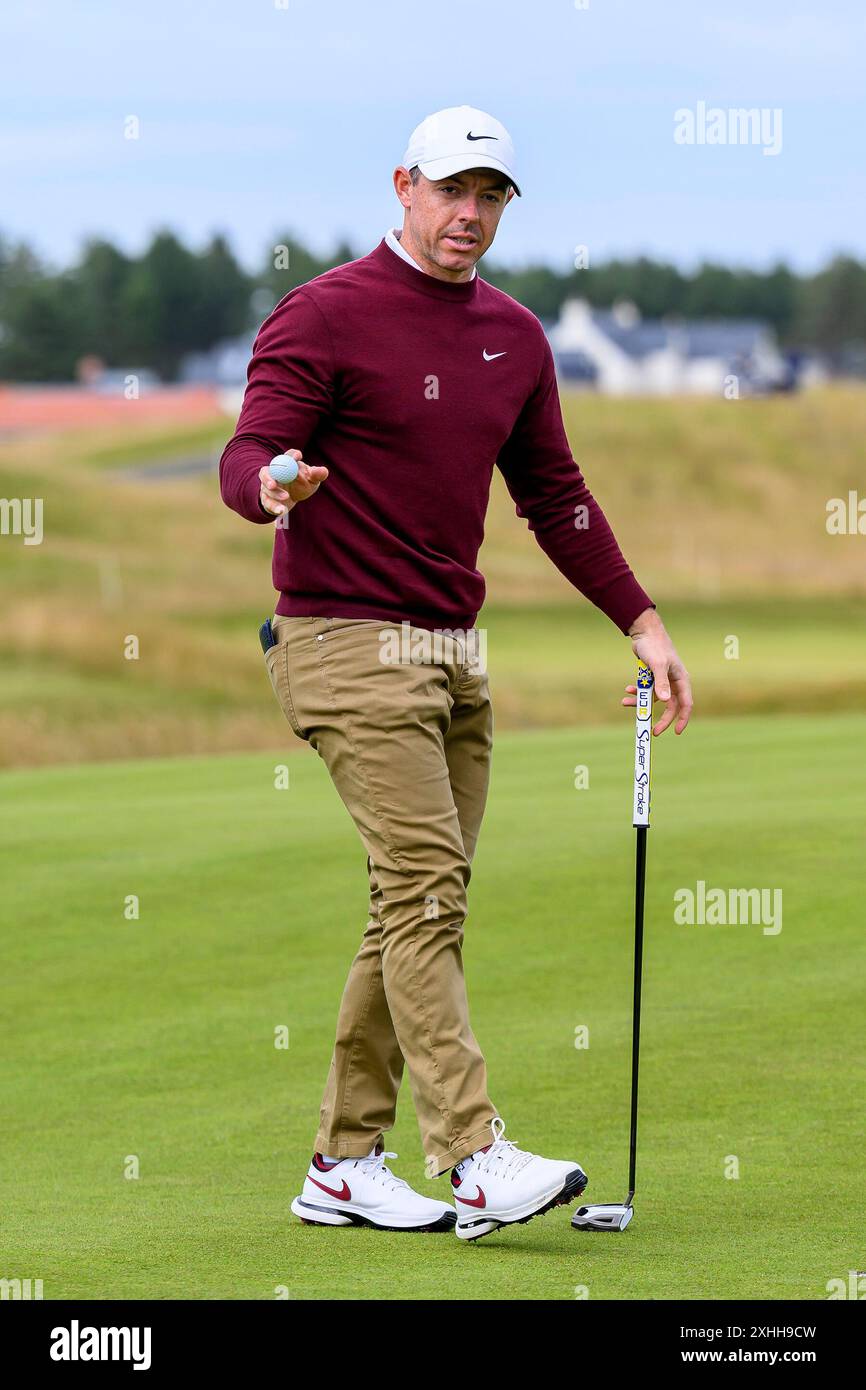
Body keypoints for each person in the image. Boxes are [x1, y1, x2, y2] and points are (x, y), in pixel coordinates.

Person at [219, 105, 693, 1241]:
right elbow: (249, 452)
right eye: (450, 192)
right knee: (426, 886)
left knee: (413, 907)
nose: (468, 216)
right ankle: (472, 1154)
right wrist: (271, 485)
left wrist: (639, 618)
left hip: (449, 654)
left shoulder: (515, 338)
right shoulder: (324, 311)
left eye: (490, 198)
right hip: (340, 638)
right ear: (403, 187)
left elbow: (554, 494)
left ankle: (340, 1163)